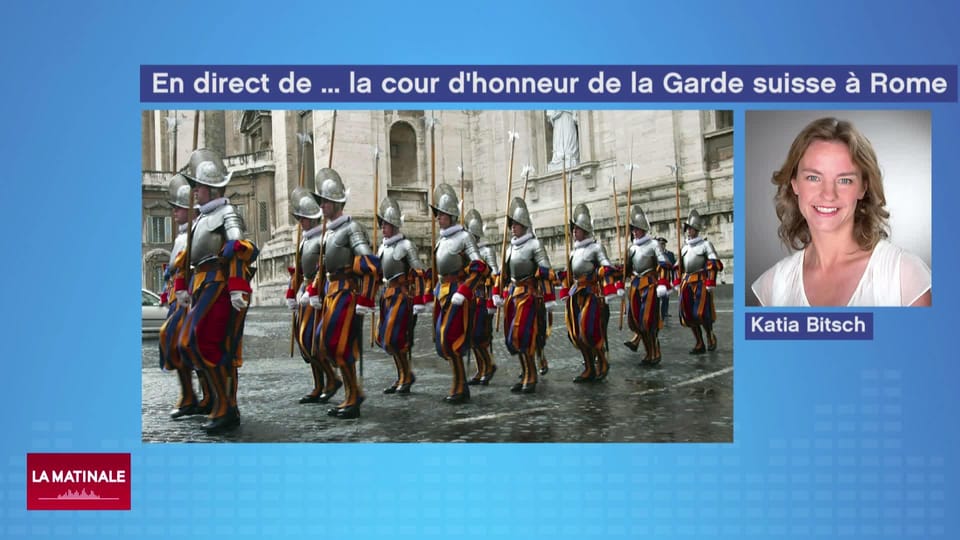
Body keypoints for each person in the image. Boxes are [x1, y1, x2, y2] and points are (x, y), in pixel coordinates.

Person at [752, 117, 932, 306]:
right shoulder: (771, 289)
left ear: (863, 188)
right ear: (795, 184)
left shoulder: (904, 277)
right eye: (813, 177)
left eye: (844, 180)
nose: (828, 194)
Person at [175, 149, 258, 433]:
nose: (194, 191)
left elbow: (239, 249)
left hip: (219, 286)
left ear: (209, 188)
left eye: (197, 186)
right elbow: (187, 257)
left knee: (208, 344)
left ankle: (226, 406)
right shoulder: (198, 220)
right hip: (200, 286)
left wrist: (236, 288)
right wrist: (181, 286)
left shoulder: (227, 213)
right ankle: (220, 403)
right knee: (190, 344)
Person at [306, 168, 381, 419]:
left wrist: (366, 298)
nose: (322, 206)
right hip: (329, 293)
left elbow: (369, 262)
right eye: (321, 201)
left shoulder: (352, 228)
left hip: (347, 294)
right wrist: (314, 291)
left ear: (337, 203)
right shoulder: (327, 232)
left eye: (325, 201)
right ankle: (350, 391)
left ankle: (353, 395)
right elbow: (322, 266)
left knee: (340, 345)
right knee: (322, 343)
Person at [158, 173, 212, 419]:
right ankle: (188, 393)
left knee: (191, 344)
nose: (175, 213)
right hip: (176, 297)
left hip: (193, 294)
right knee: (171, 341)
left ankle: (209, 394)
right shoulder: (181, 235)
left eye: (180, 208)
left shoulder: (199, 232)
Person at [431, 184, 490, 404]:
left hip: (458, 294)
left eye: (442, 214)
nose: (438, 218)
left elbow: (480, 266)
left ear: (452, 215)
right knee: (443, 341)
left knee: (452, 339)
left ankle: (461, 386)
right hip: (443, 293)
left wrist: (464, 290)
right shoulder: (441, 240)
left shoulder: (465, 238)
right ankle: (458, 383)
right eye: (437, 214)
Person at [284, 186, 342, 405]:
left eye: (303, 218)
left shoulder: (323, 239)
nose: (300, 221)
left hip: (319, 295)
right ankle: (318, 385)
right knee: (305, 344)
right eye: (299, 218)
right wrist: (292, 291)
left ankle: (331, 379)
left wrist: (313, 291)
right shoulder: (304, 240)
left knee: (314, 341)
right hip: (304, 295)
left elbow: (323, 267)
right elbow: (299, 270)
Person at [561, 203, 622, 382]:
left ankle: (602, 361)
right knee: (576, 334)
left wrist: (603, 273)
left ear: (585, 230)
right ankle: (588, 367)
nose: (574, 232)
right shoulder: (573, 252)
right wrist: (563, 282)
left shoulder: (596, 248)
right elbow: (568, 274)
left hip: (591, 294)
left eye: (577, 229)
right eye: (573, 229)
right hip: (575, 295)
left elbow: (606, 267)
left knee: (588, 331)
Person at [500, 198, 553, 393]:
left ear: (524, 226)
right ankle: (524, 372)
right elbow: (504, 275)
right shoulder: (509, 248)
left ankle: (532, 375)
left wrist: (546, 295)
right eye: (511, 225)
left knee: (525, 336)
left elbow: (547, 271)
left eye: (516, 224)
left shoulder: (535, 245)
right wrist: (499, 290)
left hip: (529, 297)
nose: (513, 228)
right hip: (513, 296)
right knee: (513, 337)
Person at [376, 196, 427, 395]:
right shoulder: (382, 247)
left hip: (402, 296)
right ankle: (402, 375)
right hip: (386, 295)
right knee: (388, 340)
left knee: (396, 338)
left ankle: (406, 375)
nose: (383, 228)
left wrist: (420, 299)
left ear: (395, 225)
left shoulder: (406, 246)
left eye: (386, 224)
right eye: (382, 224)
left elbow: (420, 273)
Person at [622, 206, 673, 365]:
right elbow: (628, 269)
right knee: (636, 322)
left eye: (637, 228)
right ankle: (648, 351)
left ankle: (655, 351)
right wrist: (621, 276)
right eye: (633, 229)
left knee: (648, 322)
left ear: (643, 229)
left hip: (650, 286)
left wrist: (662, 284)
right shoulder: (631, 249)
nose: (635, 231)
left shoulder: (654, 245)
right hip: (636, 287)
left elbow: (664, 264)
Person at [675, 210, 722, 354]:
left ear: (696, 229)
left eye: (691, 228)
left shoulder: (706, 245)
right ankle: (699, 342)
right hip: (686, 283)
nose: (688, 231)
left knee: (701, 313)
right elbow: (679, 266)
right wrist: (677, 280)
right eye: (687, 228)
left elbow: (713, 263)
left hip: (701, 282)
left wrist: (710, 281)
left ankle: (709, 334)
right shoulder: (684, 248)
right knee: (688, 315)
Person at [464, 209, 499, 386]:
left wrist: (493, 298)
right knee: (470, 336)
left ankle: (489, 365)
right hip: (469, 300)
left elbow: (495, 274)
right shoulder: (466, 252)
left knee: (480, 336)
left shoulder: (486, 252)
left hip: (483, 300)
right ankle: (480, 369)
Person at [657, 237, 676, 320]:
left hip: (667, 278)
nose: (661, 246)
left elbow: (673, 267)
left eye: (663, 244)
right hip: (657, 279)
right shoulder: (655, 254)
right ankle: (656, 313)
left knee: (666, 297)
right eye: (660, 244)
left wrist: (674, 281)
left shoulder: (670, 254)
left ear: (665, 245)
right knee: (656, 298)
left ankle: (664, 312)